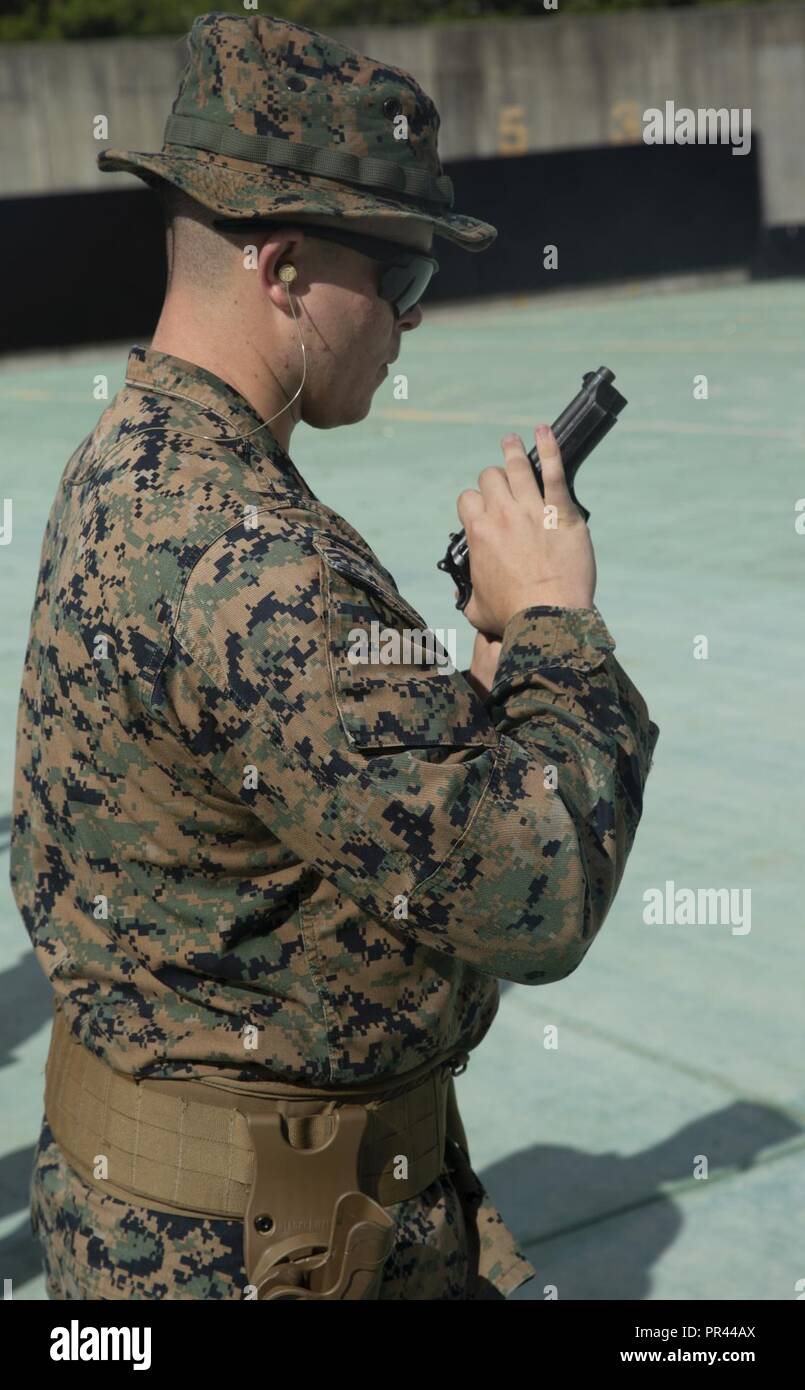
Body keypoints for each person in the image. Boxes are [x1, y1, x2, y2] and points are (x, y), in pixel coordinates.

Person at [11, 12, 659, 1301]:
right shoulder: (268, 571)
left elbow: (321, 840)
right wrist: (551, 630)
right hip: (274, 1252)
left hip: (157, 1220)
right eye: (405, 277)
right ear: (287, 267)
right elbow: (537, 894)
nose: (413, 322)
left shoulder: (131, 461)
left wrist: (470, 679)